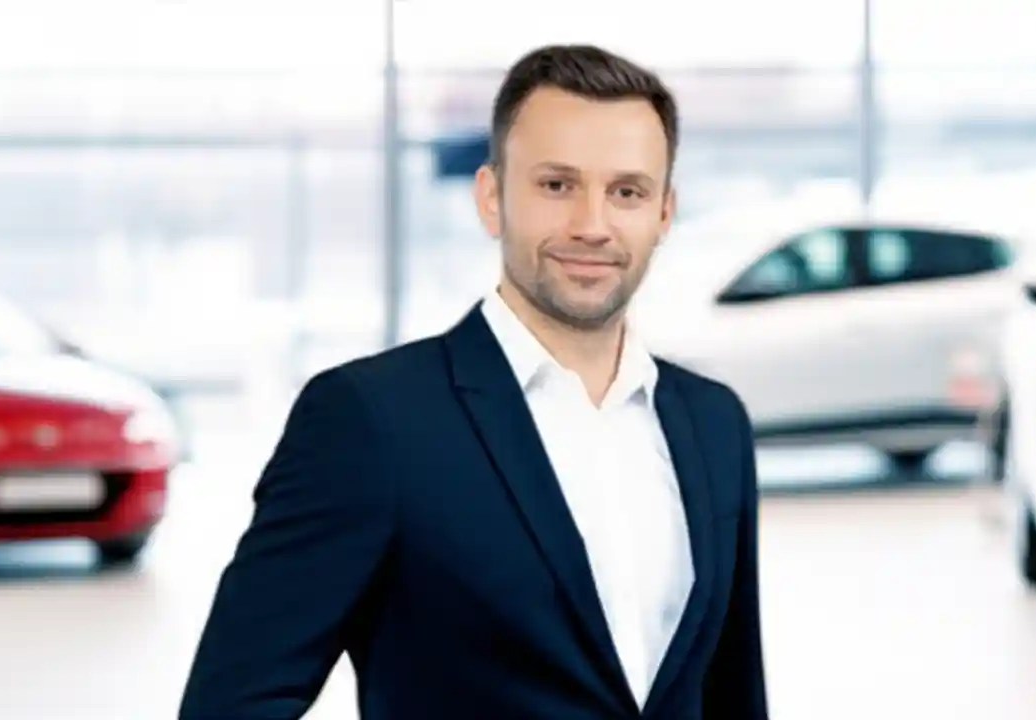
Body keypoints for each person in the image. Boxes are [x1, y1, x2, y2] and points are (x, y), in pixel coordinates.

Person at [179, 43, 768, 719]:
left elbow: (732, 696)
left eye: (626, 192)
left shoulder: (714, 423)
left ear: (663, 214)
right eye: (556, 185)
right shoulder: (372, 421)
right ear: (492, 199)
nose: (592, 225)